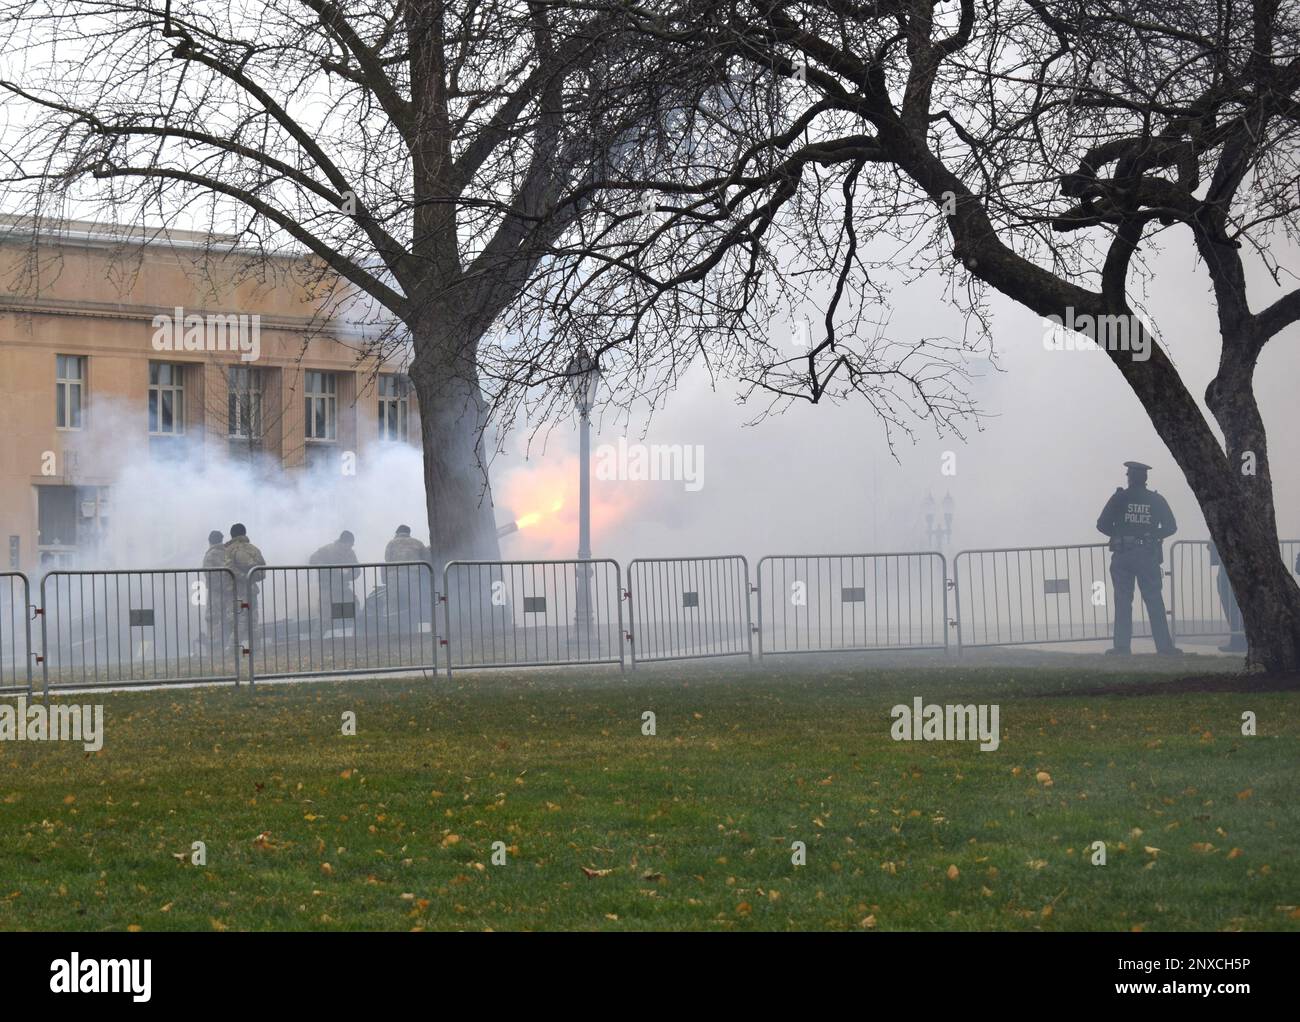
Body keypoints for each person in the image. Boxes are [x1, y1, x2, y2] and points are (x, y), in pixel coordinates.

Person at [1095, 461, 1181, 655]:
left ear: (1129, 477)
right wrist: (1153, 534)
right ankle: (1164, 646)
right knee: (1154, 600)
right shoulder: (1156, 500)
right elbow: (1171, 527)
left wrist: (1118, 534)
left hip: (1123, 554)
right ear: (1145, 479)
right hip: (1147, 554)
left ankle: (1122, 646)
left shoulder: (1119, 498)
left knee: (1123, 601)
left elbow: (1102, 525)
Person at [309, 530, 361, 631]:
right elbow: (312, 560)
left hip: (343, 587)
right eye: (349, 545)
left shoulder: (350, 553)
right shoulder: (326, 550)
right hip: (327, 587)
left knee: (355, 607)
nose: (350, 547)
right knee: (325, 616)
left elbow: (357, 570)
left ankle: (356, 638)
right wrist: (330, 569)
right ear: (343, 542)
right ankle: (316, 641)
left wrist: (349, 574)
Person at [383, 525, 431, 632]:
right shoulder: (418, 543)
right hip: (412, 578)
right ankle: (415, 630)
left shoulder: (391, 544)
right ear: (409, 533)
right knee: (414, 604)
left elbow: (387, 560)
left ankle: (394, 632)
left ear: (397, 532)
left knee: (393, 605)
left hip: (394, 579)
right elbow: (427, 558)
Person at [225, 523, 267, 642]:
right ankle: (255, 649)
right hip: (251, 591)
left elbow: (229, 569)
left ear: (231, 535)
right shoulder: (253, 549)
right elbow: (262, 571)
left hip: (236, 593)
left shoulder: (230, 550)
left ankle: (235, 650)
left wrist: (243, 577)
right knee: (252, 620)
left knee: (239, 620)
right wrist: (249, 578)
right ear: (245, 533)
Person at [1207, 541, 1246, 653]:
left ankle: (1238, 641)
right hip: (1225, 564)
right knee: (1231, 606)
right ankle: (1237, 640)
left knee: (1232, 606)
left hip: (1230, 564)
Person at [201, 530, 235, 653]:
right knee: (229, 619)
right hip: (231, 593)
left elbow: (209, 577)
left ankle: (215, 651)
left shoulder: (210, 556)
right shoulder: (229, 553)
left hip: (216, 594)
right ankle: (229, 648)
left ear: (209, 541)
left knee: (213, 620)